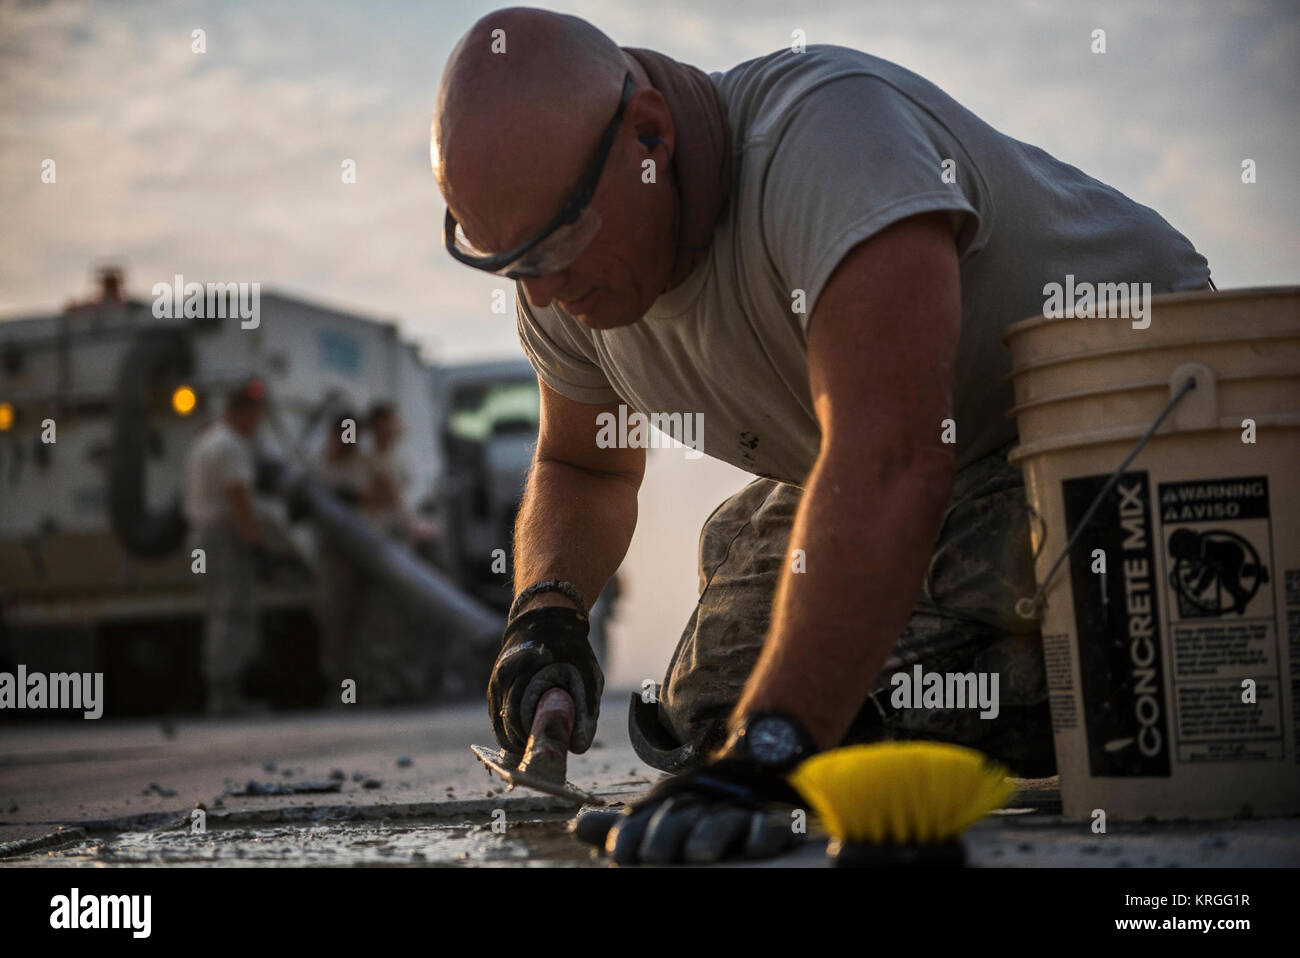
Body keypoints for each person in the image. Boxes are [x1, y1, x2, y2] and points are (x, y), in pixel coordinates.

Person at [432, 9, 1213, 863]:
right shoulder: (565, 265)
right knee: (715, 697)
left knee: (999, 666)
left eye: (554, 248)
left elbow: (894, 458)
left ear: (649, 135)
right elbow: (581, 465)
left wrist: (773, 750)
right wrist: (546, 613)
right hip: (932, 455)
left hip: (1139, 412)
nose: (539, 296)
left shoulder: (830, 142)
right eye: (507, 265)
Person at [182, 380, 267, 714]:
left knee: (219, 611)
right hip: (221, 538)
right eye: (257, 415)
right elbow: (239, 498)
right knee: (232, 612)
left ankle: (222, 691)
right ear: (243, 412)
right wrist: (256, 543)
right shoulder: (231, 445)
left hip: (201, 537)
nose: (258, 424)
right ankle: (224, 695)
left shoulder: (206, 441)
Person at [312, 408, 370, 703]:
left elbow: (371, 497)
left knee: (363, 618)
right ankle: (339, 687)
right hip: (334, 553)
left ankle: (361, 685)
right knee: (336, 619)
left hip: (362, 552)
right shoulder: (320, 465)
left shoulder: (359, 462)